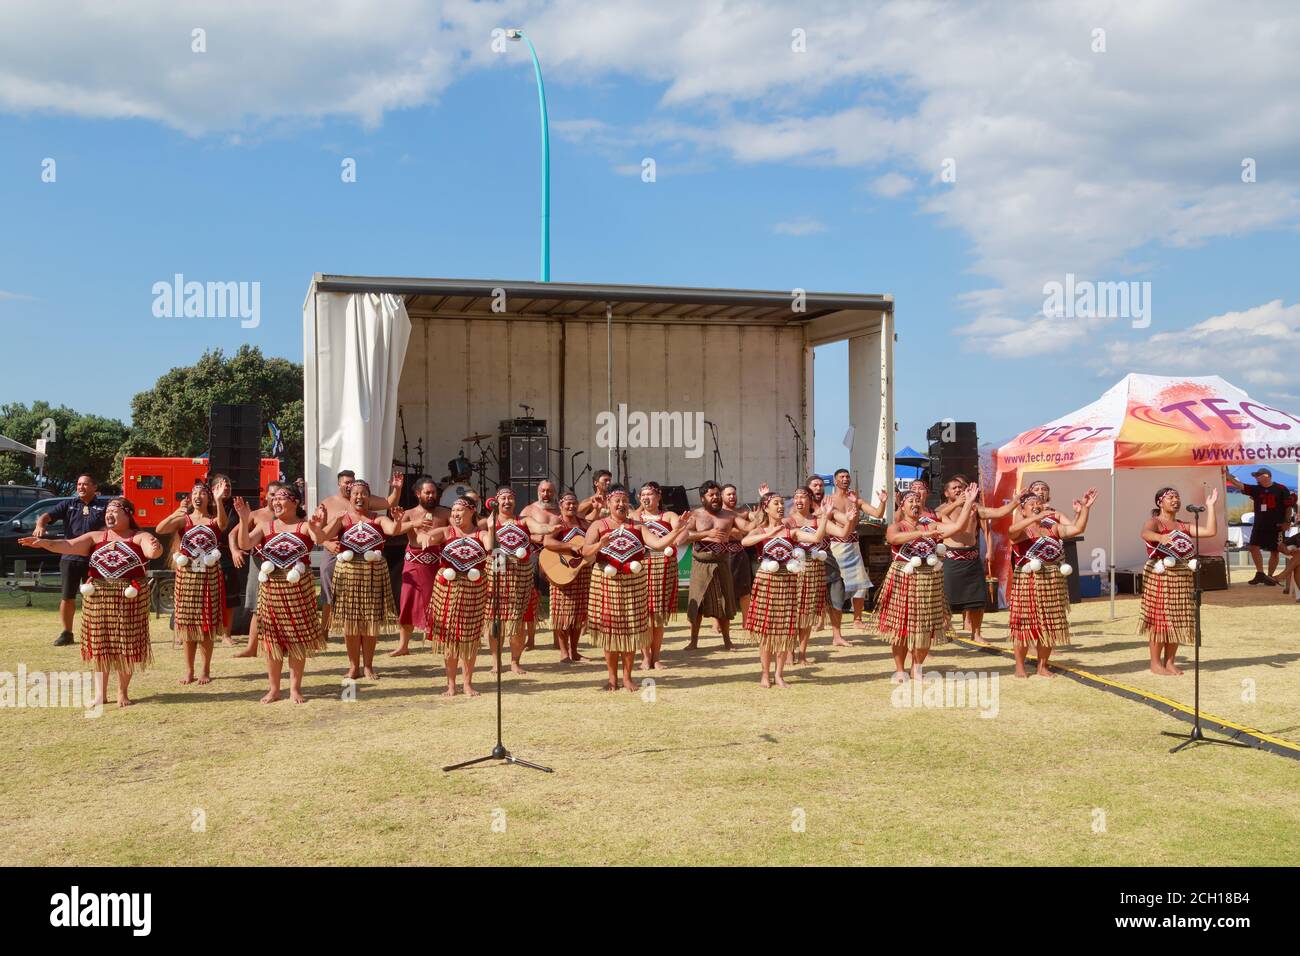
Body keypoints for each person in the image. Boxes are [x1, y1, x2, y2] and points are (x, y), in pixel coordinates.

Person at [21, 497, 161, 708]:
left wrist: (155, 548)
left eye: (114, 511)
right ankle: (100, 694)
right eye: (107, 511)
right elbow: (69, 545)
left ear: (128, 514)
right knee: (99, 645)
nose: (109, 514)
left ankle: (122, 692)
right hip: (99, 599)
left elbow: (152, 551)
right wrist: (45, 543)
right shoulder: (96, 537)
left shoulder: (139, 536)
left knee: (126, 645)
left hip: (129, 599)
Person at [868, 485, 978, 682]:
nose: (915, 504)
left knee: (926, 628)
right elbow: (893, 538)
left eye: (918, 501)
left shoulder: (931, 526)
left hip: (929, 582)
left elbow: (957, 527)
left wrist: (968, 502)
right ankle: (900, 670)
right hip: (904, 579)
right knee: (901, 628)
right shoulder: (897, 526)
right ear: (902, 506)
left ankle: (917, 669)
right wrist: (920, 534)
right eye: (911, 501)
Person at [582, 486, 686, 691]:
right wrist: (599, 545)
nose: (620, 504)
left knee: (630, 631)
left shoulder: (637, 526)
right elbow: (586, 553)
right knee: (610, 631)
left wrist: (677, 530)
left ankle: (628, 678)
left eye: (623, 501)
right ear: (608, 504)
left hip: (634, 582)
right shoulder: (598, 525)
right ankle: (612, 678)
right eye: (616, 501)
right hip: (606, 581)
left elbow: (657, 545)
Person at [233, 487, 329, 703]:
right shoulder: (266, 526)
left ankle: (295, 688)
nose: (275, 502)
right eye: (273, 499)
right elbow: (245, 544)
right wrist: (243, 518)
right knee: (272, 641)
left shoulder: (304, 526)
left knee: (296, 640)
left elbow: (321, 540)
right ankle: (274, 689)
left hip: (298, 592)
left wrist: (317, 527)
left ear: (295, 502)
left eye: (281, 499)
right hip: (271, 590)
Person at [741, 493, 831, 687]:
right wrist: (766, 534)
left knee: (784, 630)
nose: (781, 506)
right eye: (776, 503)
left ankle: (779, 675)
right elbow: (744, 542)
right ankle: (765, 674)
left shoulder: (792, 532)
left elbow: (817, 537)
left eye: (782, 503)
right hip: (766, 582)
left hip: (788, 582)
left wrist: (824, 517)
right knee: (767, 631)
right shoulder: (759, 529)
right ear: (766, 508)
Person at [1007, 487, 1096, 678]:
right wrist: (1034, 518)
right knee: (1025, 624)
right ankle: (1019, 667)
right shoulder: (1022, 530)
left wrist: (1086, 509)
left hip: (1053, 580)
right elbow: (1011, 531)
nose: (1036, 505)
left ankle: (1042, 666)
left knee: (1049, 624)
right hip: (1028, 581)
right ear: (1023, 511)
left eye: (1039, 503)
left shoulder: (1052, 528)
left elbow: (1077, 528)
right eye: (1031, 504)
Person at [322, 479, 403, 680]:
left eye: (364, 493)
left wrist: (399, 519)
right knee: (350, 624)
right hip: (348, 574)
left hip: (372, 575)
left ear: (370, 497)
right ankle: (353, 667)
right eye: (355, 493)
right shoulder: (343, 519)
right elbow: (321, 537)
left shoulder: (377, 519)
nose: (359, 497)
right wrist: (331, 520)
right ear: (350, 497)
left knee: (369, 622)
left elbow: (393, 530)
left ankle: (368, 666)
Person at [155, 478, 230, 685]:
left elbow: (224, 525)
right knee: (188, 626)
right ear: (190, 497)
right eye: (195, 493)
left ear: (208, 498)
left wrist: (219, 500)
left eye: (203, 493)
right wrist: (175, 513)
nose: (198, 496)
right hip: (187, 576)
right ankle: (189, 671)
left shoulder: (213, 520)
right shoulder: (184, 520)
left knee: (206, 625)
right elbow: (160, 529)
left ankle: (205, 670)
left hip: (209, 575)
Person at [1138, 486, 1219, 675]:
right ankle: (1155, 663)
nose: (1175, 500)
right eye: (1171, 497)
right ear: (1159, 502)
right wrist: (1160, 537)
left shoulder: (1184, 526)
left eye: (1177, 497)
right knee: (1160, 619)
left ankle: (1170, 662)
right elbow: (1145, 533)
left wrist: (1211, 506)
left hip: (1182, 577)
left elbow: (1210, 531)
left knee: (1178, 618)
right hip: (1161, 575)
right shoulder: (1155, 522)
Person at [419, 497, 494, 697]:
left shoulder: (482, 533)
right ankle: (451, 684)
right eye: (453, 511)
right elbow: (426, 537)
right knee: (450, 637)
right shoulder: (446, 532)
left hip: (474, 590)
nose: (455, 514)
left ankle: (467, 683)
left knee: (469, 638)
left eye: (460, 510)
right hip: (448, 589)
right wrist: (424, 536)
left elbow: (491, 547)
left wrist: (493, 528)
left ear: (471, 511)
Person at [317, 469, 403, 634]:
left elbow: (389, 502)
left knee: (363, 593)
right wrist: (328, 544)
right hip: (334, 548)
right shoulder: (328, 502)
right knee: (328, 586)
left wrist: (397, 489)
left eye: (352, 481)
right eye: (346, 482)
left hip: (363, 552)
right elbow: (319, 533)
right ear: (339, 484)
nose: (350, 485)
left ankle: (363, 628)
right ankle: (324, 629)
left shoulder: (364, 499)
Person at [477, 486, 551, 674]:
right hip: (498, 566)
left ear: (515, 501)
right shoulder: (489, 521)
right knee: (495, 620)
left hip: (521, 572)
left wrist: (551, 528)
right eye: (503, 499)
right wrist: (491, 525)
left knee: (518, 620)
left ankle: (515, 661)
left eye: (510, 498)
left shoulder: (523, 520)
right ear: (497, 501)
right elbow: (486, 543)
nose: (507, 502)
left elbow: (539, 528)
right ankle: (496, 662)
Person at [33, 473, 108, 646]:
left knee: (94, 597)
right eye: (79, 484)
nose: (81, 487)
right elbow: (46, 516)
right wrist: (40, 525)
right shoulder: (68, 504)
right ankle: (67, 633)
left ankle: (95, 633)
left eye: (85, 484)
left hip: (94, 559)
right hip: (70, 558)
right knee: (67, 597)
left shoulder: (104, 507)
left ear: (95, 487)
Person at [785, 486, 853, 664]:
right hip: (793, 571)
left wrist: (851, 520)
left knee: (807, 614)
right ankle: (789, 652)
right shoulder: (787, 522)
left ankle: (802, 654)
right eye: (796, 497)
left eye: (803, 497)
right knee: (792, 613)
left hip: (814, 571)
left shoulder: (818, 520)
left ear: (810, 500)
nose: (799, 500)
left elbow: (843, 533)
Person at [823, 468, 887, 640]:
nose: (845, 479)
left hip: (853, 545)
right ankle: (822, 620)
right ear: (835, 481)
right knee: (831, 583)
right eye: (841, 477)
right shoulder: (829, 500)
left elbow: (878, 514)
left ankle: (857, 618)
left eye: (847, 476)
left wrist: (883, 501)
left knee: (860, 582)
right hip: (836, 545)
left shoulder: (855, 499)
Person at [389, 477, 450, 657]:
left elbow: (454, 531)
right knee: (407, 603)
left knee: (438, 603)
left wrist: (434, 533)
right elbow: (395, 530)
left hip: (436, 564)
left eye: (434, 492)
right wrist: (412, 524)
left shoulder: (445, 513)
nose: (431, 496)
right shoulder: (409, 513)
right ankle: (403, 645)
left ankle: (440, 641)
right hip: (414, 564)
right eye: (427, 493)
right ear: (418, 494)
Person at [232, 480, 290, 658]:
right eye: (272, 495)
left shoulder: (288, 517)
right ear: (267, 496)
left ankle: (286, 644)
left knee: (285, 607)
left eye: (279, 496)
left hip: (283, 566)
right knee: (258, 608)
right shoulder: (257, 515)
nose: (275, 500)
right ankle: (251, 647)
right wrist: (235, 550)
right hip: (259, 564)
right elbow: (232, 534)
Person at [681, 480, 741, 650]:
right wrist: (706, 533)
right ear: (703, 498)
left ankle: (727, 641)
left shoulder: (728, 515)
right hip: (700, 563)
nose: (715, 498)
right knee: (697, 604)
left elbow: (748, 527)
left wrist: (761, 513)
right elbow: (685, 535)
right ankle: (693, 641)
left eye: (717, 494)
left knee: (725, 603)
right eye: (711, 495)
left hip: (721, 562)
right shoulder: (696, 515)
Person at [933, 475, 992, 644]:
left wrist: (1014, 503)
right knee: (946, 598)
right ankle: (944, 629)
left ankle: (976, 633)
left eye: (960, 487)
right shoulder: (942, 509)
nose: (958, 490)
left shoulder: (974, 507)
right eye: (954, 488)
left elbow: (993, 514)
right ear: (946, 493)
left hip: (972, 557)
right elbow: (936, 517)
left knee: (978, 598)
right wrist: (957, 504)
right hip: (950, 558)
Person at [632, 481, 679, 669]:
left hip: (664, 568)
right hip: (641, 566)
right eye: (642, 495)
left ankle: (656, 657)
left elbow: (680, 532)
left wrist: (680, 532)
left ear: (659, 497)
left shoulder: (669, 516)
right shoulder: (635, 517)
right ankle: (645, 656)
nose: (645, 497)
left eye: (650, 494)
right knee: (643, 613)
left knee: (657, 614)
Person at [541, 491, 592, 664]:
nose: (571, 506)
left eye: (574, 503)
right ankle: (564, 652)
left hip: (581, 571)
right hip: (560, 570)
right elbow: (547, 542)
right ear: (561, 505)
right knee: (562, 613)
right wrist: (570, 546)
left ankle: (575, 651)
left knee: (578, 613)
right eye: (567, 503)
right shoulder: (558, 522)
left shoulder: (584, 523)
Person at [1224, 466, 1291, 585]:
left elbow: (1288, 506)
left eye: (1257, 476)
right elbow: (1241, 485)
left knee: (1274, 551)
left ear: (1266, 476)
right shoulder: (1256, 489)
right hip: (1259, 525)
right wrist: (1228, 476)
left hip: (1277, 526)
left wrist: (1287, 522)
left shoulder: (1281, 489)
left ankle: (1270, 577)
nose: (1256, 478)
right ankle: (1260, 573)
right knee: (1253, 547)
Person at [519, 479, 562, 650]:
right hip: (534, 556)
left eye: (550, 491)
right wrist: (536, 538)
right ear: (538, 491)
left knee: (557, 598)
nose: (546, 494)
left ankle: (557, 640)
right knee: (532, 598)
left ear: (554, 492)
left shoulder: (561, 510)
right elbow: (519, 532)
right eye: (543, 491)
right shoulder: (529, 510)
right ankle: (531, 640)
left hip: (557, 557)